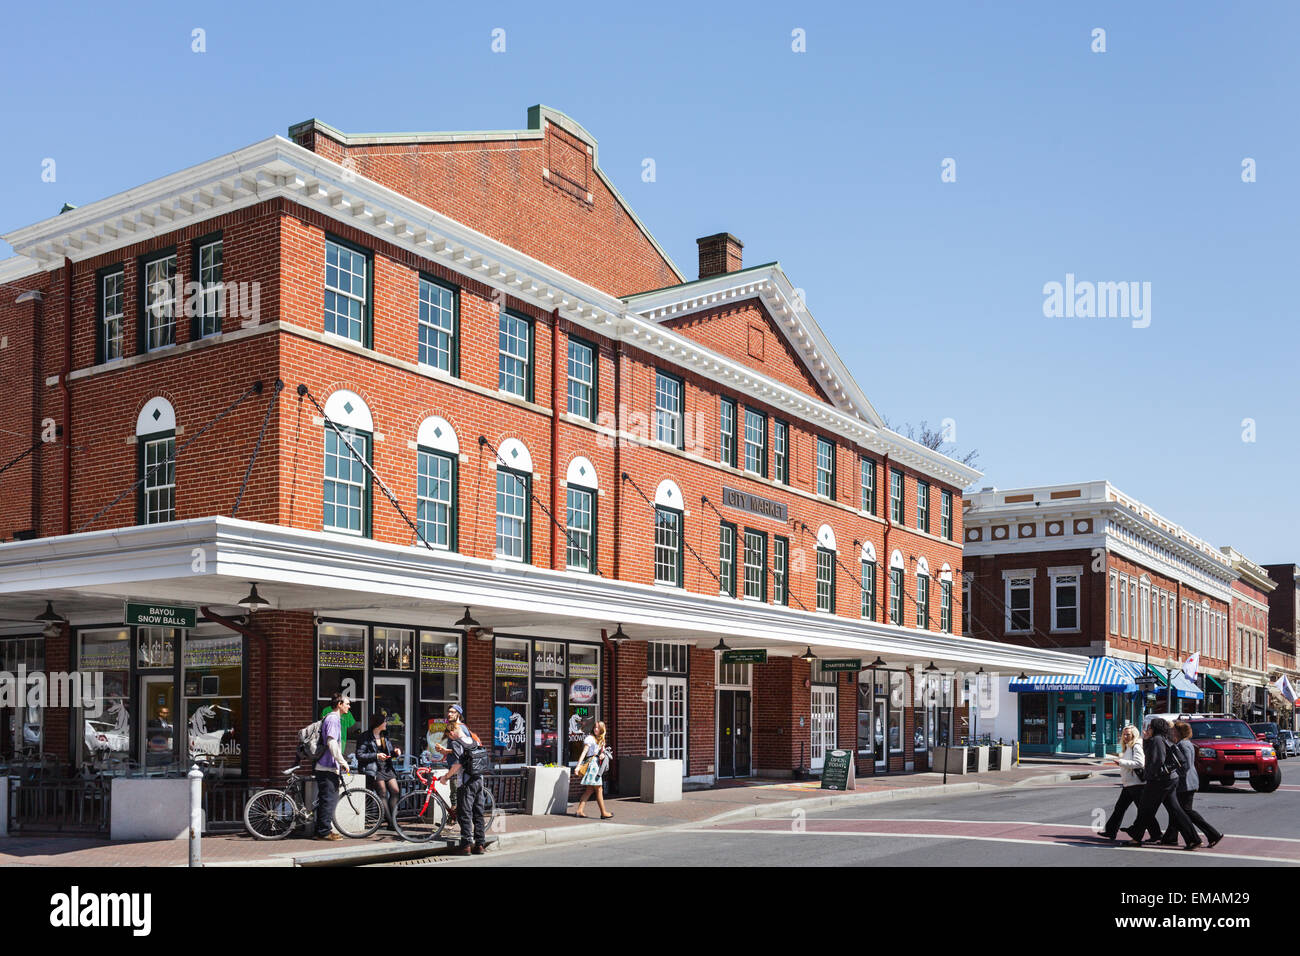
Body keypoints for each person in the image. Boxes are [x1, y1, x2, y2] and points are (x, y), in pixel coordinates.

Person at [1123, 716, 1199, 849]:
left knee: (1145, 809)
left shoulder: (1157, 740)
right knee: (1175, 810)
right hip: (1169, 779)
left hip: (1159, 781)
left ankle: (1136, 837)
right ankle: (1193, 839)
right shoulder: (1164, 739)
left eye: (1150, 727)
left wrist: (1149, 776)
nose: (1148, 729)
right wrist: (1146, 741)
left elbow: (1156, 761)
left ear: (1154, 728)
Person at [1159, 721, 1223, 849]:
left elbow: (1186, 765)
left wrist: (1173, 773)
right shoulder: (1182, 743)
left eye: (1173, 730)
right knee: (1177, 811)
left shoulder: (1184, 745)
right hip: (1185, 783)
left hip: (1186, 784)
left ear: (1179, 732)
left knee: (1185, 812)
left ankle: (1213, 834)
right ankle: (1170, 837)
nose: (1171, 732)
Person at [441, 706, 487, 855]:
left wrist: (446, 777)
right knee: (478, 813)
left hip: (465, 782)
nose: (449, 736)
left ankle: (466, 845)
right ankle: (480, 845)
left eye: (448, 734)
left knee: (465, 814)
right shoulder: (471, 740)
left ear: (452, 731)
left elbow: (457, 764)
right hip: (479, 779)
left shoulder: (456, 742)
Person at [1100, 724, 1154, 841]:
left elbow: (1140, 763)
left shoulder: (1136, 746)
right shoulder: (1129, 746)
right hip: (1129, 783)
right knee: (1120, 808)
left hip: (1136, 784)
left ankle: (1156, 833)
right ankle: (1110, 831)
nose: (1125, 736)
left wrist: (1121, 762)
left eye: (1128, 734)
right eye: (1124, 734)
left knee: (1143, 810)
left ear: (1134, 734)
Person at [314, 692, 352, 841]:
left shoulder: (331, 718)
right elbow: (332, 742)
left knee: (325, 799)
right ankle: (324, 831)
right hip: (327, 766)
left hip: (326, 766)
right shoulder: (333, 719)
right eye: (347, 703)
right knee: (329, 799)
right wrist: (342, 762)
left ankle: (320, 830)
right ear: (339, 704)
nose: (349, 706)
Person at [356, 711, 402, 828]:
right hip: (374, 768)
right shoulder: (365, 736)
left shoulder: (384, 735)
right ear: (378, 723)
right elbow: (359, 755)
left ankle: (393, 820)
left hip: (386, 767)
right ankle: (391, 823)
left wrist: (395, 753)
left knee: (395, 791)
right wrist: (376, 755)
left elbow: (389, 752)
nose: (386, 723)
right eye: (384, 721)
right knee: (382, 794)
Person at [573, 721, 614, 820]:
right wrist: (578, 766)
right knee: (599, 789)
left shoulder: (601, 739)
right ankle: (603, 812)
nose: (596, 729)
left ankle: (579, 810)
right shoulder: (590, 738)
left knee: (589, 790)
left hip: (596, 765)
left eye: (598, 728)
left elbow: (602, 751)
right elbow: (584, 753)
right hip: (592, 766)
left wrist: (603, 754)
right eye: (595, 727)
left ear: (602, 729)